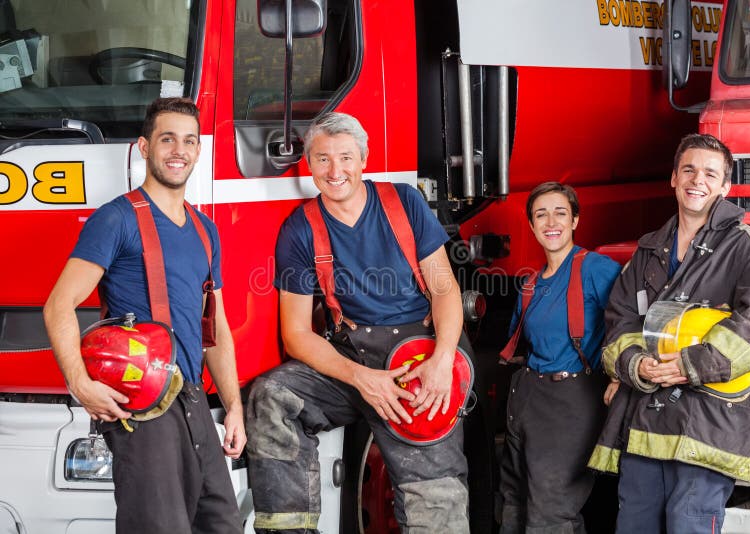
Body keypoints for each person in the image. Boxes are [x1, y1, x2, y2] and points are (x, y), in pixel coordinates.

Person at [245, 112, 469, 533]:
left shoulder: (404, 203)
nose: (335, 171)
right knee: (272, 397)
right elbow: (296, 334)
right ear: (309, 164)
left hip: (416, 359)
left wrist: (441, 362)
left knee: (434, 498)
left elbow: (445, 291)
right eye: (323, 159)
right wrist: (361, 378)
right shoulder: (301, 229)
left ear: (363, 160)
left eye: (346, 157)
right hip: (352, 360)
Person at [43, 97, 246, 534]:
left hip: (193, 399)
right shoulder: (115, 219)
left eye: (188, 141)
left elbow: (215, 329)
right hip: (143, 406)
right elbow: (59, 305)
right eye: (167, 139)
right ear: (144, 147)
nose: (179, 150)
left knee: (223, 524)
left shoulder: (205, 229)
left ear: (198, 150)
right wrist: (80, 384)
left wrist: (233, 407)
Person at [587, 133, 750, 533]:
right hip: (647, 418)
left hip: (709, 421)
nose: (698, 180)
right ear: (674, 178)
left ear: (725, 186)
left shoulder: (748, 248)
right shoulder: (648, 251)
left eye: (710, 174)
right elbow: (619, 320)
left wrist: (688, 365)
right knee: (634, 524)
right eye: (689, 170)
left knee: (689, 522)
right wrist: (636, 364)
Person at [497, 182, 620, 534]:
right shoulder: (531, 284)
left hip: (571, 401)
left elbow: (629, 321)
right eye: (541, 215)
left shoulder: (595, 268)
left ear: (575, 220)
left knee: (550, 512)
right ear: (532, 225)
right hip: (526, 398)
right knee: (513, 504)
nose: (551, 222)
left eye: (560, 213)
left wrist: (618, 375)